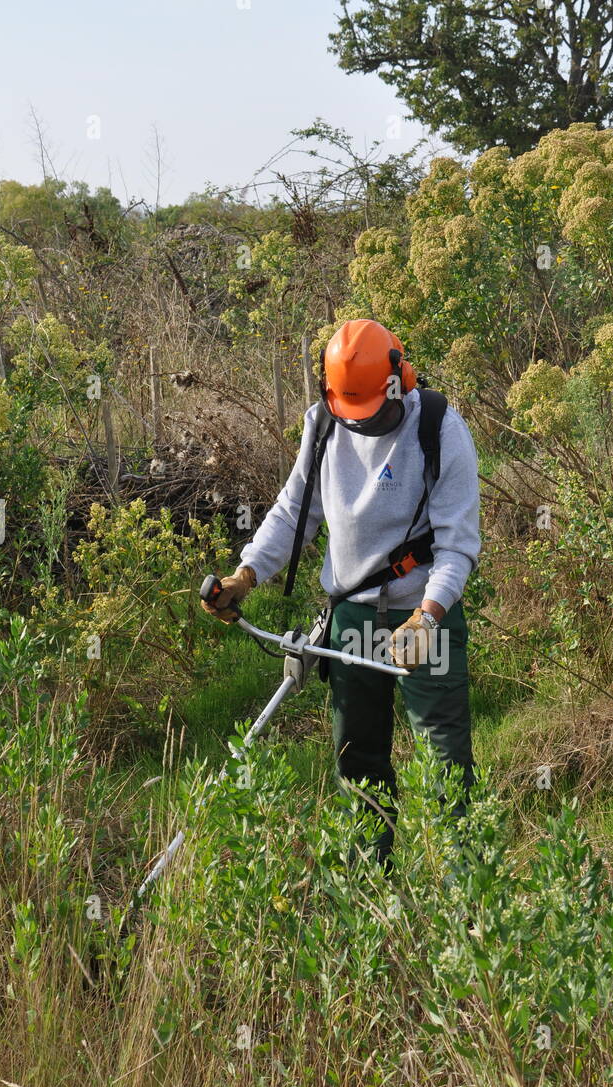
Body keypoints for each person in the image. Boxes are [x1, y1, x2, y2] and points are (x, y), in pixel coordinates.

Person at [202, 318, 481, 863]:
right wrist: (246, 574)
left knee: (447, 761)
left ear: (400, 382)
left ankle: (465, 904)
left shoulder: (440, 429)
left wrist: (427, 616)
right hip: (353, 617)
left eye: (370, 410)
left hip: (427, 616)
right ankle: (369, 891)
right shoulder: (324, 423)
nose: (361, 423)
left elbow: (458, 545)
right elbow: (293, 511)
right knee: (358, 763)